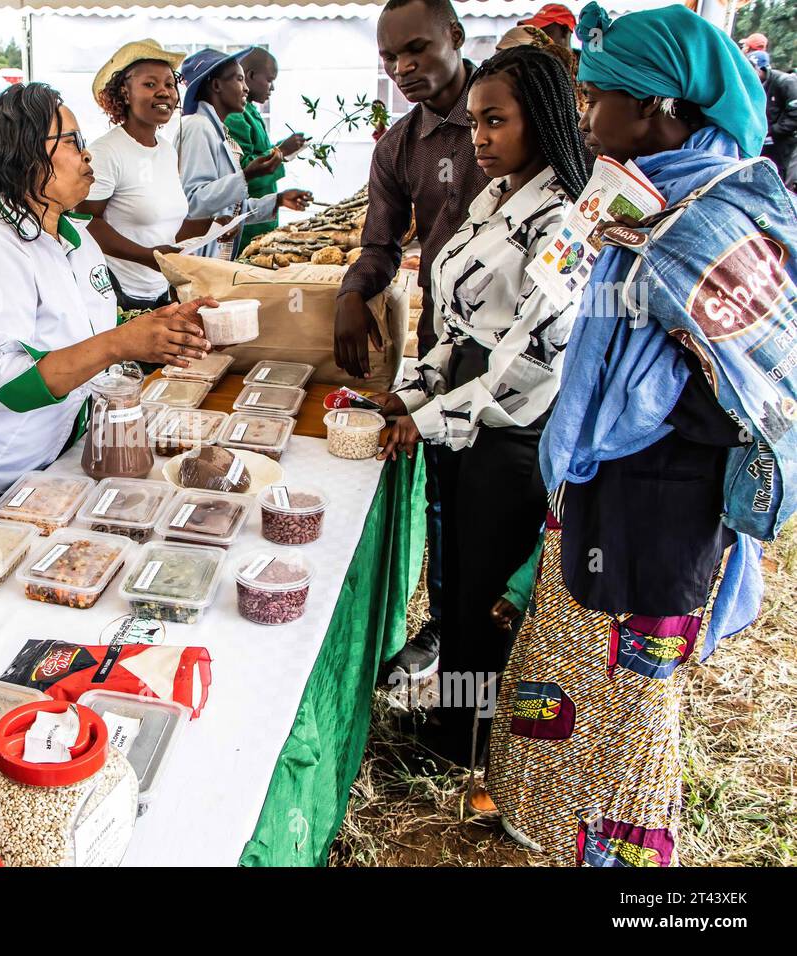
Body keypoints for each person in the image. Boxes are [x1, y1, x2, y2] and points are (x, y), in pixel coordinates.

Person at [487, 2, 768, 865]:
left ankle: (626, 856)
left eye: (598, 96)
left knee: (635, 696)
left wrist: (633, 408)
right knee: (574, 660)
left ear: (657, 108)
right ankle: (553, 820)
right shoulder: (642, 201)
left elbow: (746, 395)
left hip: (669, 502)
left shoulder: (719, 220)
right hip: (605, 482)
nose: (584, 116)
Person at [373, 45, 590, 767]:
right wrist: (406, 392)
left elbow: (531, 367)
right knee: (459, 586)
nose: (481, 140)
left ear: (545, 118)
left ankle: (469, 746)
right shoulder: (497, 196)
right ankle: (453, 729)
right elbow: (458, 324)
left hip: (508, 433)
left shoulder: (567, 221)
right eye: (474, 124)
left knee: (486, 601)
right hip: (464, 416)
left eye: (496, 121)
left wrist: (425, 418)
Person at [0, 83, 218, 567]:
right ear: (23, 157)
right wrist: (120, 343)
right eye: (69, 142)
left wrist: (154, 328)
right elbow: (9, 384)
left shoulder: (74, 236)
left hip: (38, 453)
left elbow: (83, 330)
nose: (87, 154)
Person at [335, 0, 489, 684]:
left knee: (504, 511)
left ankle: (490, 651)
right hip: (444, 351)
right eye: (390, 59)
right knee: (447, 503)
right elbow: (380, 243)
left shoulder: (516, 115)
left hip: (522, 359)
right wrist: (350, 293)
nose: (403, 69)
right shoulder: (398, 145)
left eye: (417, 51)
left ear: (456, 38)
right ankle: (447, 627)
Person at [80, 40, 193, 312]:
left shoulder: (166, 151)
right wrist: (147, 257)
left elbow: (162, 221)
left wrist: (215, 225)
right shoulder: (106, 152)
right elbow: (84, 222)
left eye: (169, 84)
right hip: (117, 294)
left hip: (160, 290)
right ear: (125, 93)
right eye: (150, 85)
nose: (164, 92)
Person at [177, 48, 312, 259]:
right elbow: (193, 202)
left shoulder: (218, 132)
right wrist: (248, 175)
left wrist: (277, 201)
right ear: (216, 85)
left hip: (215, 259)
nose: (246, 89)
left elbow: (228, 206)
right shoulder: (198, 128)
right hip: (200, 261)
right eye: (239, 79)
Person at [225, 48, 308, 253]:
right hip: (248, 221)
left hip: (262, 213)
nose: (272, 88)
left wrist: (285, 150)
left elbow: (258, 152)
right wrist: (280, 152)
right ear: (250, 76)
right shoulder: (235, 117)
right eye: (270, 80)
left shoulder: (250, 110)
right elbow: (243, 171)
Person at [748, 50, 797, 190]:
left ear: (762, 69)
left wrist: (774, 131)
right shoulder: (755, 85)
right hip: (768, 139)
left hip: (787, 140)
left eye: (752, 69)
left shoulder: (785, 82)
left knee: (782, 176)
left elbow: (795, 113)